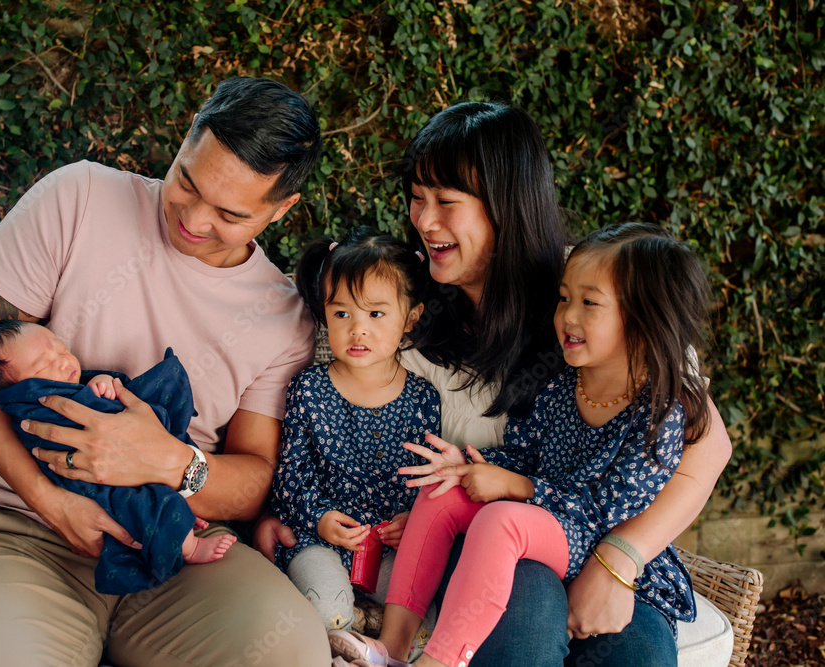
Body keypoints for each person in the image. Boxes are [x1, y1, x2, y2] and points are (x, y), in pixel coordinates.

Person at [257, 100, 733, 666]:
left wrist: (621, 559)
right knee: (524, 608)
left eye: (446, 202)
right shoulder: (402, 308)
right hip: (482, 539)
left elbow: (708, 447)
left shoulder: (597, 292)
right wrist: (281, 512)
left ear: (505, 207)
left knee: (637, 651)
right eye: (417, 197)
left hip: (603, 539)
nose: (423, 221)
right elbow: (334, 417)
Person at [0, 76, 332, 666]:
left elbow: (252, 481)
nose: (192, 217)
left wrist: (168, 461)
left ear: (282, 209)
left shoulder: (282, 316)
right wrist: (50, 500)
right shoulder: (80, 197)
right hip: (24, 531)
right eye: (187, 180)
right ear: (187, 136)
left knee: (289, 651)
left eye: (229, 213)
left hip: (177, 547)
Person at [330, 222, 710, 667]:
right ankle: (392, 648)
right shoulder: (562, 382)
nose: (568, 316)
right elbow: (525, 452)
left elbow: (608, 509)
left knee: (502, 520)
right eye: (565, 298)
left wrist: (520, 487)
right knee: (442, 489)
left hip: (596, 540)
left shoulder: (659, 411)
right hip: (550, 526)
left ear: (645, 318)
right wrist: (472, 464)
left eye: (589, 304)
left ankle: (440, 660)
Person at [0, 319, 237, 595]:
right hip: (85, 485)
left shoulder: (70, 384)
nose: (62, 361)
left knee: (154, 480)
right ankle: (189, 546)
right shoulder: (35, 408)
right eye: (43, 366)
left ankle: (182, 518)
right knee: (145, 506)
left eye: (59, 348)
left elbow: (109, 399)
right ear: (17, 391)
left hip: (133, 459)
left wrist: (103, 383)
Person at [272, 227, 441, 637]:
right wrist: (320, 517)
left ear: (410, 318)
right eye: (342, 313)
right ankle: (343, 644)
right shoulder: (309, 389)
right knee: (327, 610)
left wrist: (410, 519)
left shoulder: (423, 398)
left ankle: (378, 648)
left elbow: (428, 480)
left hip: (387, 546)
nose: (357, 329)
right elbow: (291, 473)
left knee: (423, 623)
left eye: (376, 314)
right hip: (320, 538)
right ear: (324, 312)